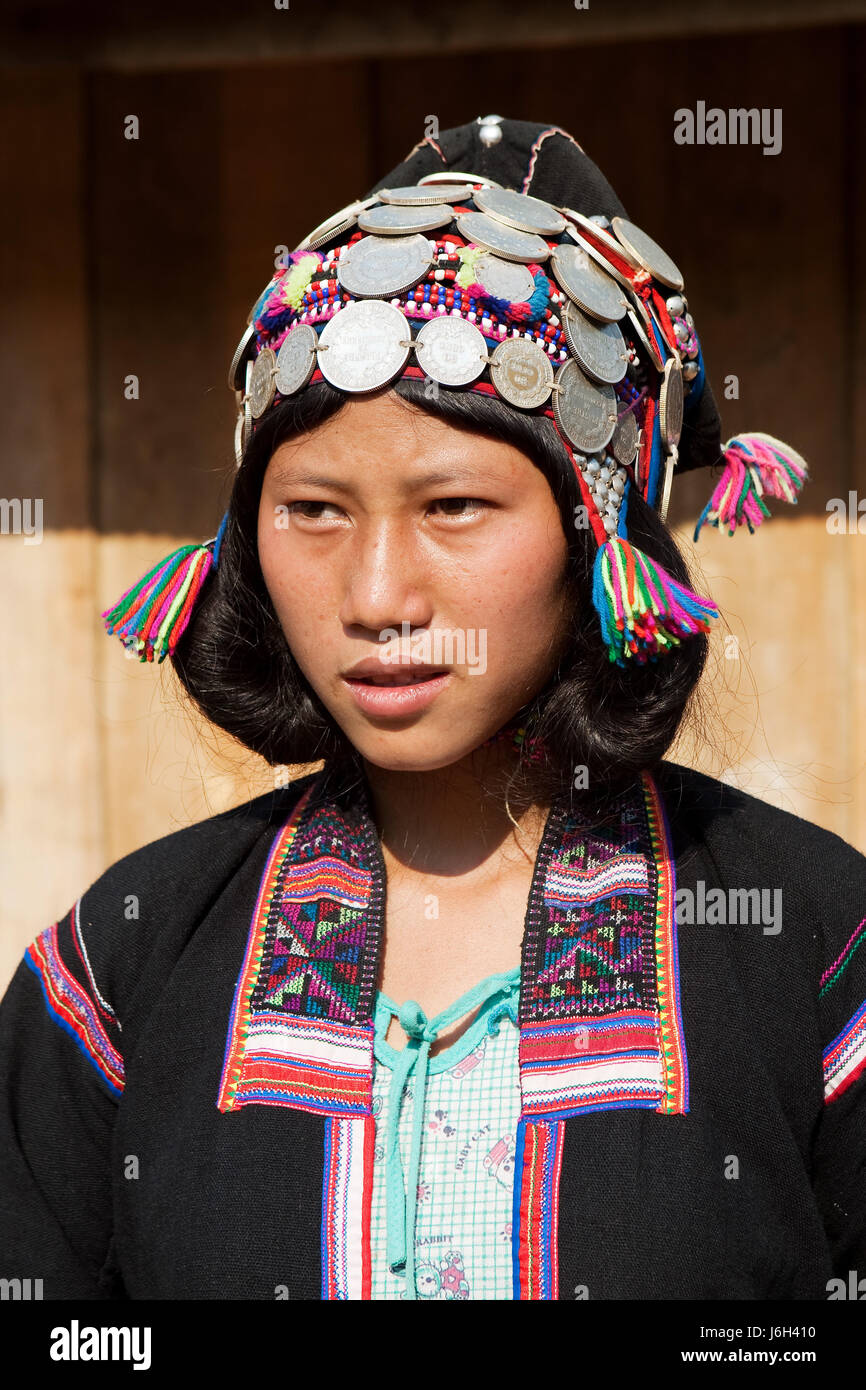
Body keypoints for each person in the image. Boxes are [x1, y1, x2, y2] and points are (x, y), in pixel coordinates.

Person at [1, 115, 863, 1303]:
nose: (373, 595)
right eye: (311, 508)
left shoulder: (817, 950)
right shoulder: (117, 968)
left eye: (452, 505)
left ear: (595, 534)